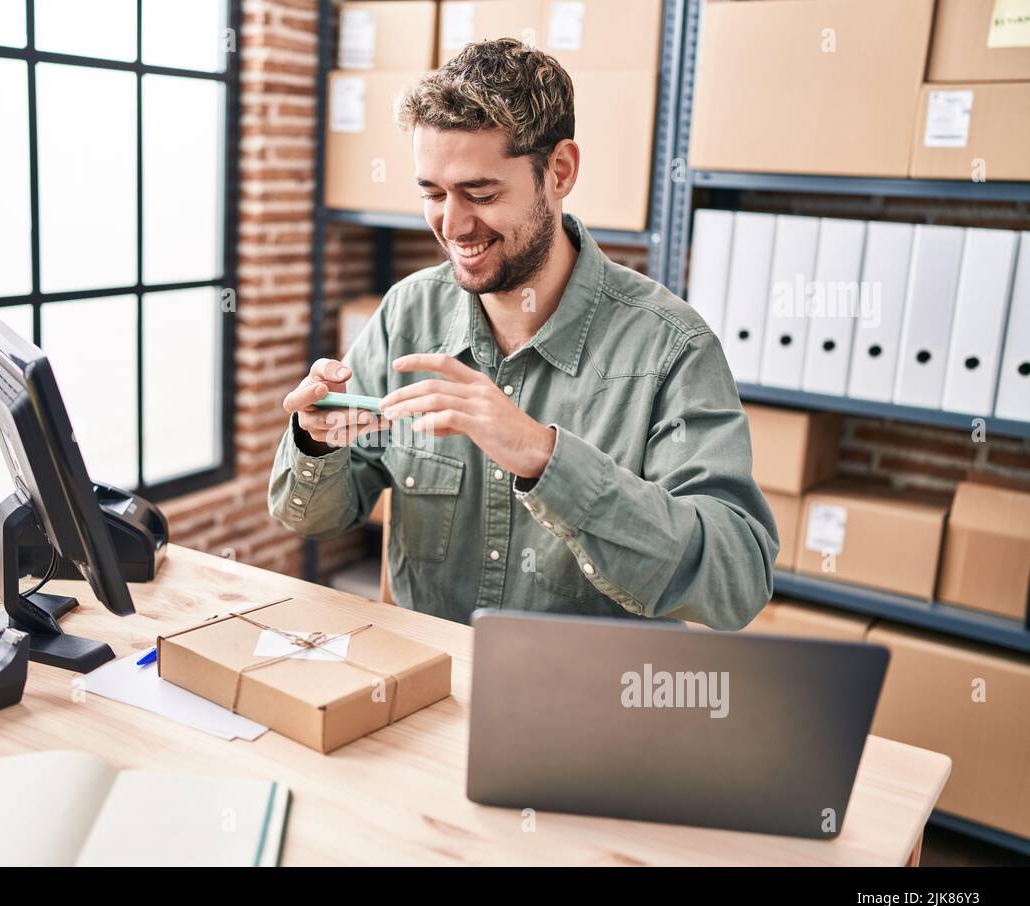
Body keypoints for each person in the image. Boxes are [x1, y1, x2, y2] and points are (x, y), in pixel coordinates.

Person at [269, 39, 776, 629]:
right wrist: (317, 444)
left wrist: (545, 458)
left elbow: (737, 581)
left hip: (587, 707)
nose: (452, 226)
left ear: (558, 171)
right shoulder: (409, 313)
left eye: (481, 194)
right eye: (432, 194)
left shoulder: (670, 348)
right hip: (428, 689)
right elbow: (308, 518)